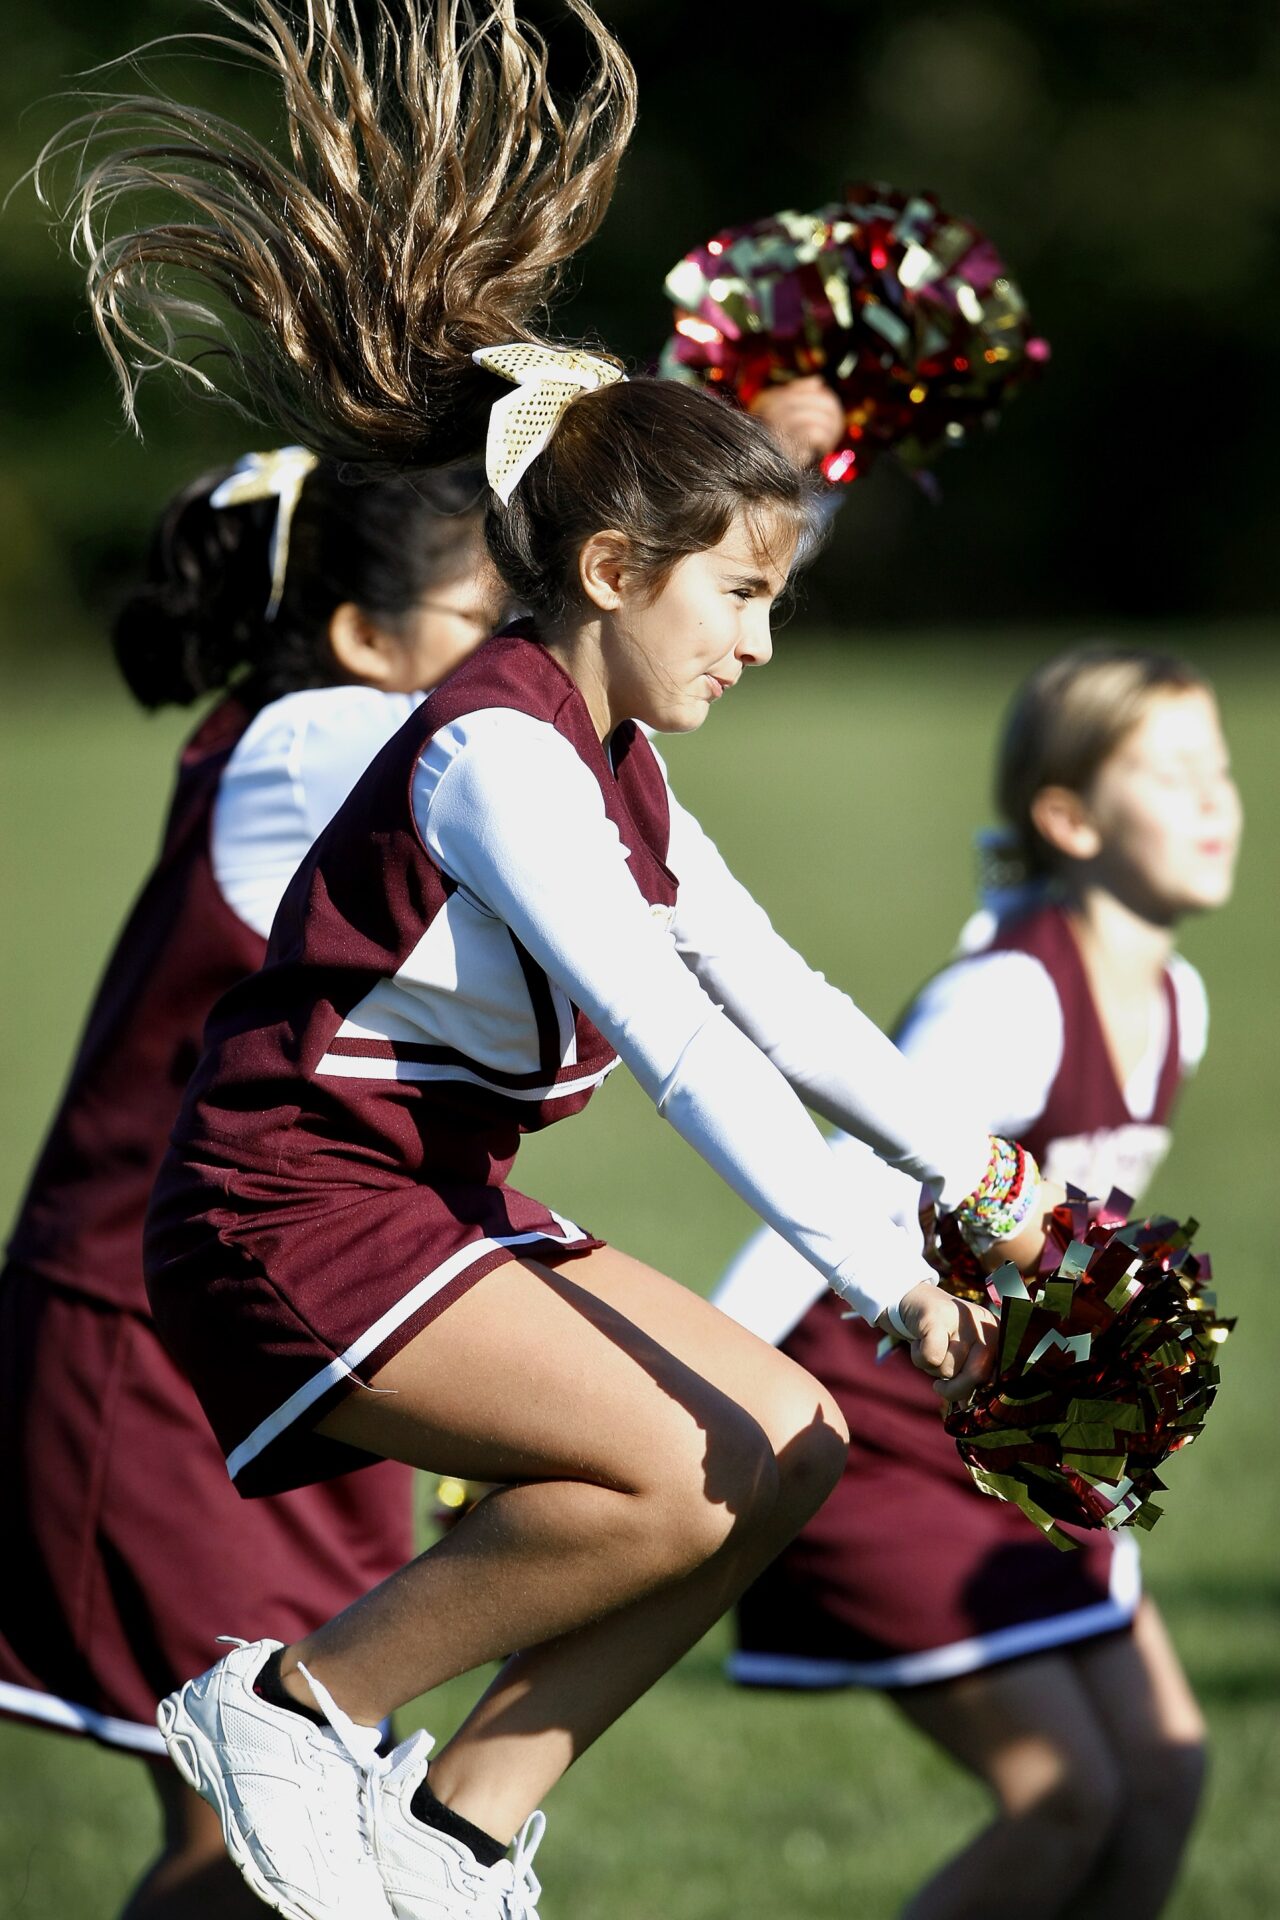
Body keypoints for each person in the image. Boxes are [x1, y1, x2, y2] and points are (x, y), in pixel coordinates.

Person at [46, 6, 1060, 1916]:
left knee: (794, 1444)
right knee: (693, 1460)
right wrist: (883, 1273)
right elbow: (675, 1039)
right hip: (290, 1209)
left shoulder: (613, 758)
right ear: (611, 574)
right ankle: (289, 1704)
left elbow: (778, 987)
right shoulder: (503, 752)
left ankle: (458, 1832)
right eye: (742, 595)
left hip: (425, 1206)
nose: (762, 640)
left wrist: (978, 1185)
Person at [0, 450, 506, 1920]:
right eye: (494, 614)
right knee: (260, 1838)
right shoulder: (325, 739)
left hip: (278, 1341)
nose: (526, 655)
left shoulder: (346, 734)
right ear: (363, 634)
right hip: (144, 1354)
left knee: (302, 1824)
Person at [713, 645, 1241, 1920]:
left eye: (1218, 766)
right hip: (877, 1438)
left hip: (1007, 1445)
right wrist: (695, 1384)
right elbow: (826, 1201)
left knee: (1162, 1776)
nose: (1217, 799)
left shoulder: (1178, 1001)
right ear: (1065, 817)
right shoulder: (1010, 999)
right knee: (1063, 1797)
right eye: (1171, 773)